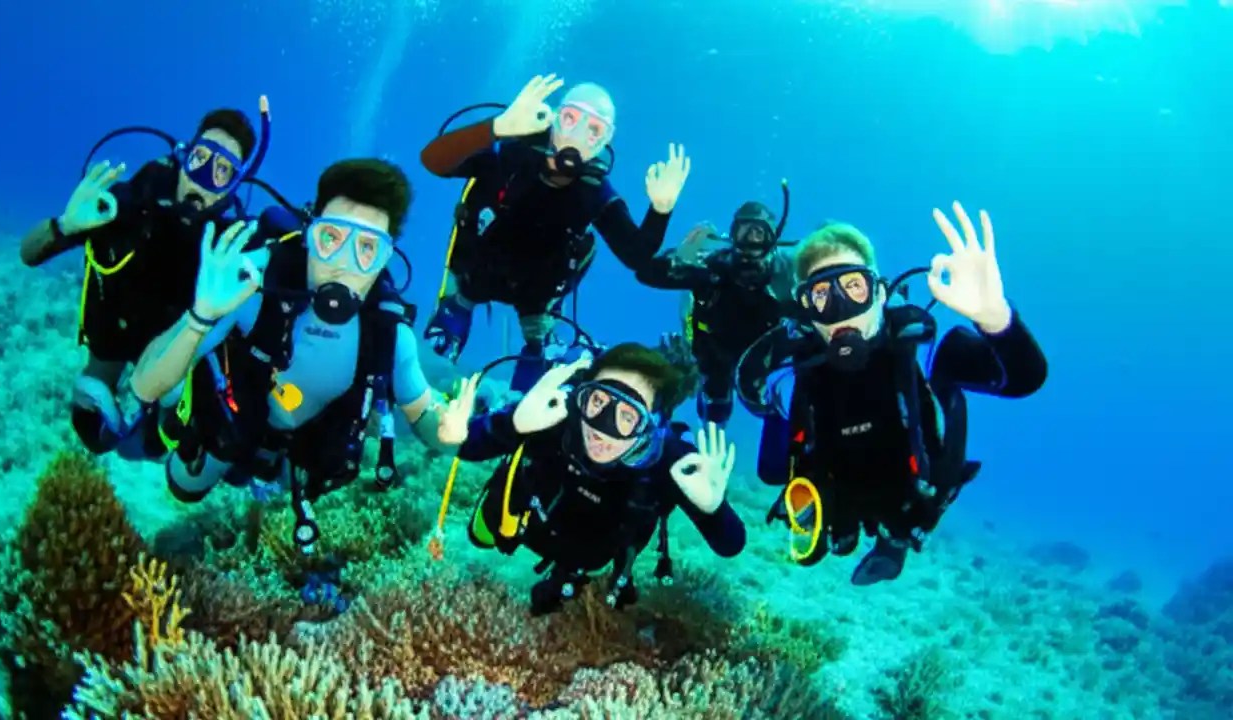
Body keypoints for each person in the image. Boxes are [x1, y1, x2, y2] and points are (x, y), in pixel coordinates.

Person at [129, 158, 463, 551]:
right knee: (184, 487)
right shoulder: (253, 285)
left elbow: (425, 416)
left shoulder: (388, 334)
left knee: (290, 503)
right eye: (330, 238)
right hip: (228, 426)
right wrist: (201, 316)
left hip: (297, 453)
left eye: (367, 248)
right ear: (308, 235)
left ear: (385, 259)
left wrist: (450, 433)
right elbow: (144, 385)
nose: (343, 264)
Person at [750, 202, 1047, 585]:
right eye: (822, 295)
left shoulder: (925, 350)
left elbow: (1025, 379)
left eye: (853, 287)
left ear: (879, 293)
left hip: (912, 494)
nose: (840, 310)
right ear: (806, 308)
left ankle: (894, 543)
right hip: (839, 495)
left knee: (901, 524)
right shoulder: (797, 372)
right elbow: (771, 468)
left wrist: (996, 320)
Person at [18, 100, 270, 457]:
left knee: (163, 443)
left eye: (223, 171)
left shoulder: (229, 243)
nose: (204, 178)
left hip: (172, 347)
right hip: (115, 333)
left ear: (233, 185)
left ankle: (156, 420)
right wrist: (65, 225)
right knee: (91, 431)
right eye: (201, 159)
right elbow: (28, 254)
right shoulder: (129, 203)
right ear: (184, 157)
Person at [420, 73, 692, 391]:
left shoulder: (595, 191)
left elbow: (636, 255)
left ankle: (538, 339)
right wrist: (495, 128)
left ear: (605, 141)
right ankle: (458, 304)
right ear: (554, 117)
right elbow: (433, 161)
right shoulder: (509, 156)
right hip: (477, 271)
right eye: (570, 119)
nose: (577, 136)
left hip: (537, 290)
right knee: (438, 354)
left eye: (594, 131)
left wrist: (661, 209)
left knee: (533, 382)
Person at [435, 342, 746, 615]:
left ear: (650, 425)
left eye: (627, 416)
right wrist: (503, 427)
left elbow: (730, 544)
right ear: (581, 397)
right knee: (480, 535)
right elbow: (469, 445)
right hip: (523, 518)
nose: (602, 429)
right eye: (598, 403)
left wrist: (713, 509)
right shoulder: (553, 416)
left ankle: (565, 575)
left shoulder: (670, 462)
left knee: (576, 574)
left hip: (590, 548)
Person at [636, 199, 798, 426]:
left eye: (760, 233)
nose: (752, 241)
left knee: (780, 402)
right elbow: (647, 273)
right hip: (716, 355)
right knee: (715, 408)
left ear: (774, 236)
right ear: (732, 235)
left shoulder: (788, 271)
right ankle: (709, 452)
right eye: (745, 231)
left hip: (766, 357)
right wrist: (685, 253)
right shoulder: (712, 268)